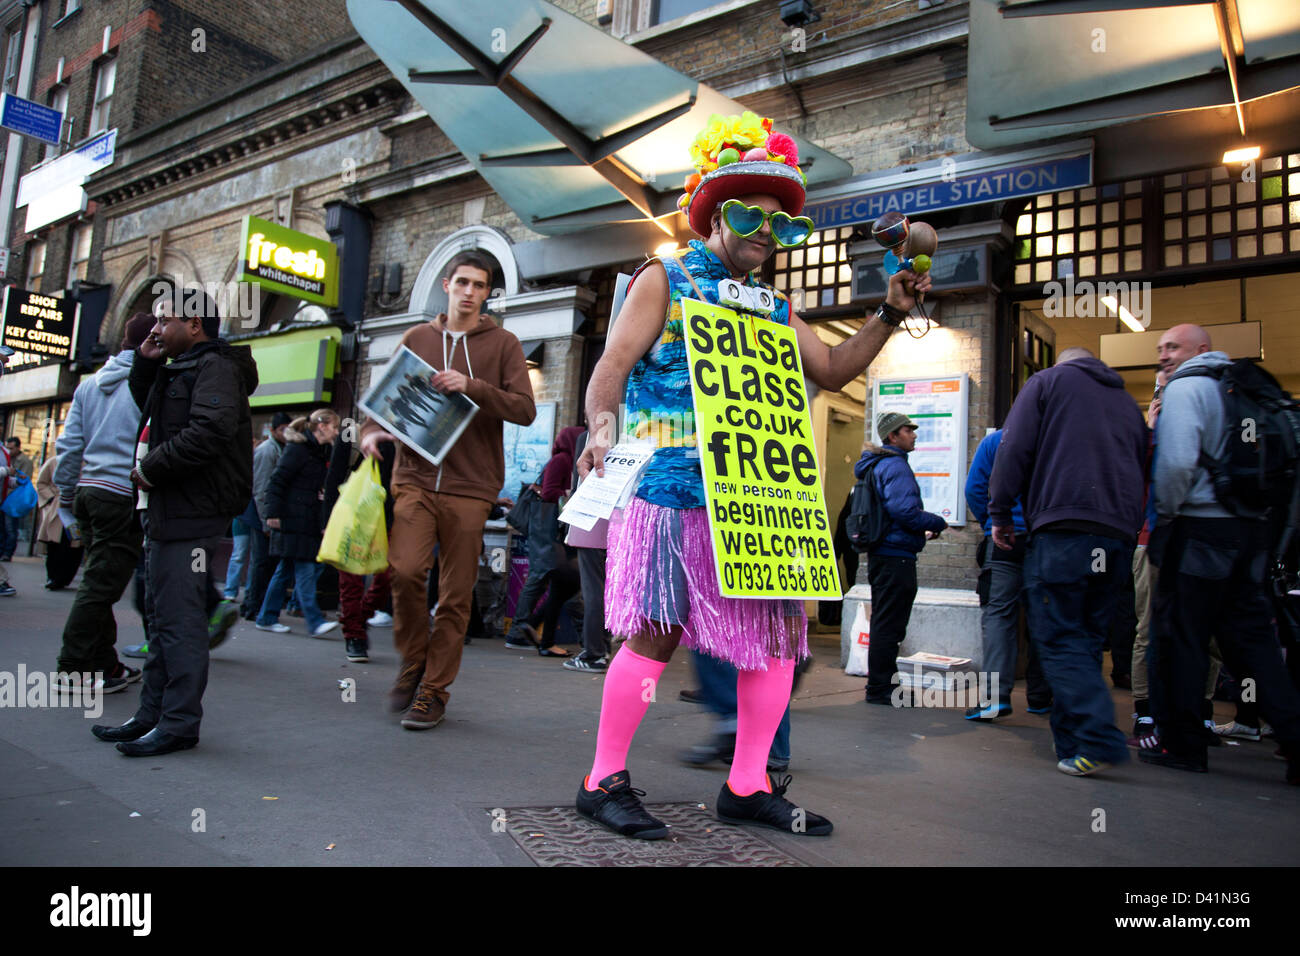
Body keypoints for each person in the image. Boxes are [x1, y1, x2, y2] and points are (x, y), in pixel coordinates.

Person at [573, 112, 928, 839]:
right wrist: (600, 439)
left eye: (783, 226)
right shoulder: (663, 276)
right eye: (749, 216)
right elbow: (609, 366)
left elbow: (830, 369)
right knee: (654, 633)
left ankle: (748, 781)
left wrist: (888, 316)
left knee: (777, 637)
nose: (767, 233)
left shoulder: (772, 306)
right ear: (713, 214)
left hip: (758, 497)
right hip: (673, 488)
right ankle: (602, 777)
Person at [360, 251, 536, 731]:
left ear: (487, 293)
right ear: (446, 284)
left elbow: (524, 410)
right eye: (462, 282)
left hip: (470, 487)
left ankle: (433, 692)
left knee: (457, 595)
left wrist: (473, 386)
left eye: (479, 285)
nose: (469, 292)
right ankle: (413, 661)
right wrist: (370, 434)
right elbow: (383, 404)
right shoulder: (417, 338)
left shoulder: (503, 343)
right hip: (413, 477)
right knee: (405, 571)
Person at [91, 287, 257, 757]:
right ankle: (152, 716)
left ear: (195, 325)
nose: (156, 330)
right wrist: (146, 364)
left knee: (181, 623)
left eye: (164, 322)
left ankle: (179, 723)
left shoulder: (217, 368)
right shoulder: (183, 366)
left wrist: (150, 469)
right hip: (169, 508)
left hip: (192, 510)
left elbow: (208, 431)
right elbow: (157, 413)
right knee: (163, 620)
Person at [1145, 324, 1300, 780]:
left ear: (1201, 351)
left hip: (1198, 529)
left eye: (1173, 347)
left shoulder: (1187, 388)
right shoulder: (1242, 388)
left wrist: (1167, 517)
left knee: (1182, 638)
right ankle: (1295, 741)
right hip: (1249, 531)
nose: (1164, 356)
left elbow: (1175, 463)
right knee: (1253, 643)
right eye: (1161, 348)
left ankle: (1184, 745)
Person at [988, 347, 1147, 777]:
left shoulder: (1046, 383)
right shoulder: (1127, 403)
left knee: (1057, 636)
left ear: (1062, 362)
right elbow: (1142, 465)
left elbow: (1014, 447)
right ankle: (1074, 745)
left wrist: (1000, 513)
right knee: (1087, 639)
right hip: (1114, 537)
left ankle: (1098, 735)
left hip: (1064, 530)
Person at [52, 313, 153, 693]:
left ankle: (104, 664)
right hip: (120, 493)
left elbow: (70, 446)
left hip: (87, 491)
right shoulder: (149, 382)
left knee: (100, 579)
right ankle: (73, 668)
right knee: (100, 586)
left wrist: (66, 495)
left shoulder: (89, 385)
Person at [855, 412, 949, 705]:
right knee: (889, 624)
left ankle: (883, 685)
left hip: (886, 554)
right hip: (895, 557)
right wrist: (937, 522)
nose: (914, 434)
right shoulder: (895, 466)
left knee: (886, 622)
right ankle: (881, 688)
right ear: (893, 436)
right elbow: (904, 511)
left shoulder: (879, 465)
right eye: (908, 430)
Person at [963, 426, 1051, 720]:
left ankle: (994, 698)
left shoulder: (994, 441)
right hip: (1045, 540)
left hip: (1004, 539)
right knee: (1044, 616)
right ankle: (1041, 697)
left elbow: (974, 489)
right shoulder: (1055, 439)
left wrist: (992, 523)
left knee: (999, 616)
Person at [254, 409, 340, 637]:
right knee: (305, 568)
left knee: (285, 570)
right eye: (334, 426)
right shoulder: (299, 449)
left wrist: (318, 493)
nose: (337, 431)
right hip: (294, 518)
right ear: (322, 426)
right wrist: (272, 513)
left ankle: (266, 617)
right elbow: (278, 480)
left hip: (303, 517)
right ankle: (313, 621)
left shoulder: (317, 450)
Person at [505, 425, 584, 650]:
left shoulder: (569, 461)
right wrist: (570, 494)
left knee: (554, 577)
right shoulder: (561, 460)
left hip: (551, 528)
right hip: (545, 527)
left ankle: (528, 629)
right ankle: (518, 631)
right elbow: (549, 492)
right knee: (541, 576)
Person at [324, 435, 395, 663]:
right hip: (355, 515)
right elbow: (333, 477)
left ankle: (360, 617)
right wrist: (329, 521)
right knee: (351, 581)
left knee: (388, 576)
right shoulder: (351, 435)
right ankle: (353, 634)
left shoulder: (405, 436)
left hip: (392, 517)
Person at [564, 428, 613, 672]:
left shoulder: (588, 437)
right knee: (607, 590)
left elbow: (578, 484)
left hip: (590, 519)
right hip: (620, 521)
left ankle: (594, 653)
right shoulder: (632, 431)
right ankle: (603, 647)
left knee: (593, 590)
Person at [241, 411, 292, 621]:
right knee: (260, 562)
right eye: (282, 430)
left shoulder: (282, 448)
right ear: (272, 430)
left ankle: (255, 604)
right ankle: (252, 606)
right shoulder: (266, 451)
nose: (286, 433)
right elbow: (260, 489)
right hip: (260, 515)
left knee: (267, 563)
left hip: (269, 515)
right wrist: (266, 523)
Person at [36, 453, 83, 590]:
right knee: (54, 544)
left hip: (77, 509)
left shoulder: (87, 464)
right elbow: (41, 483)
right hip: (57, 508)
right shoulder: (53, 462)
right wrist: (50, 498)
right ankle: (53, 577)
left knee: (74, 546)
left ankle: (63, 578)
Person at [1, 436, 33, 560]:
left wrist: (15, 477)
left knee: (10, 527)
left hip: (13, 500)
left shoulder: (24, 461)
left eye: (12, 448)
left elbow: (24, 479)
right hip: (4, 497)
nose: (9, 450)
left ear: (18, 447)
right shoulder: (6, 456)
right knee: (2, 527)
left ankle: (8, 553)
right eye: (7, 448)